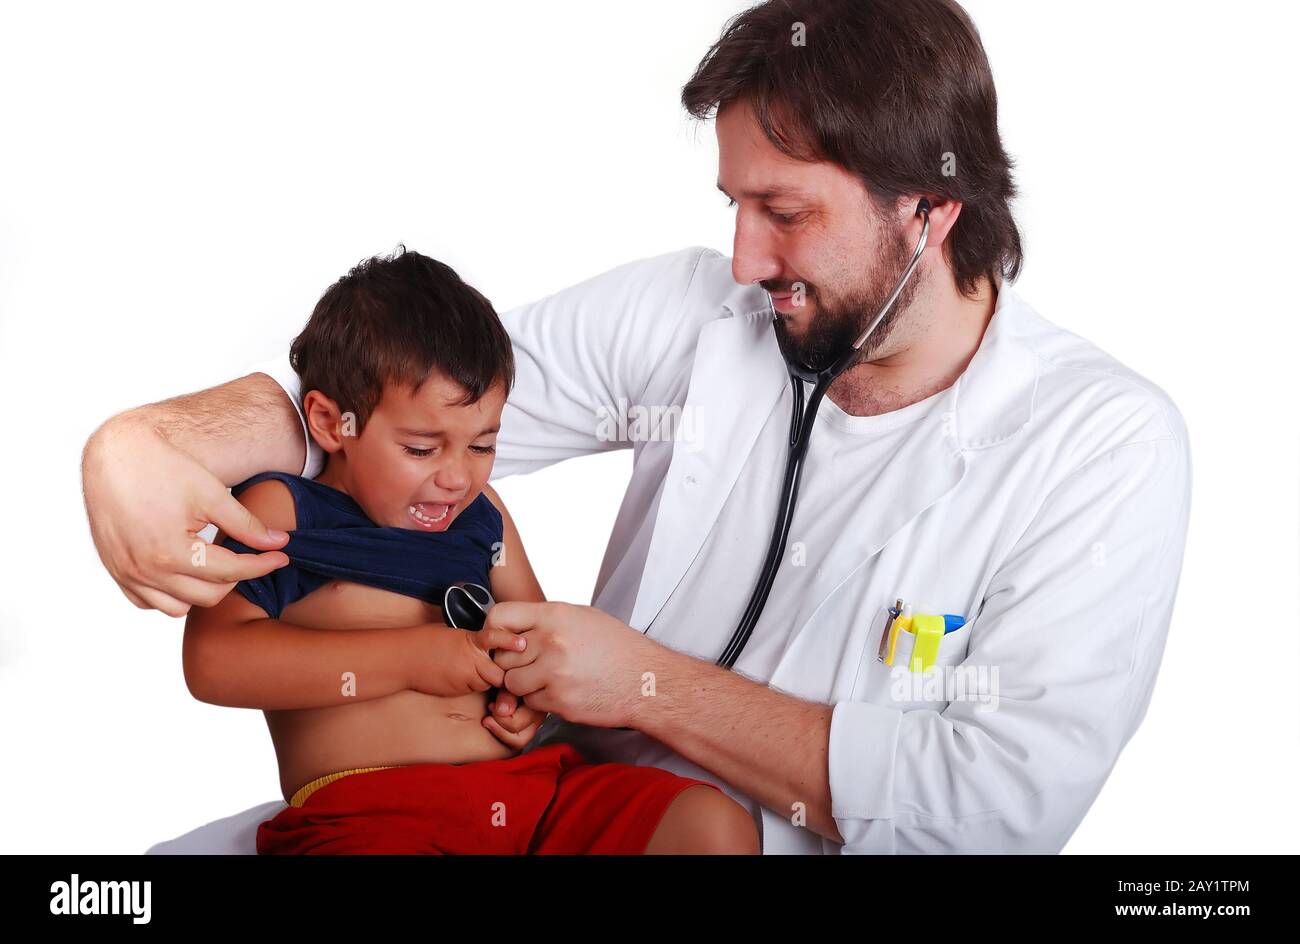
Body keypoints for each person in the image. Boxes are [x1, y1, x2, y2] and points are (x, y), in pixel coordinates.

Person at [82, 0, 1191, 854]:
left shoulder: (1099, 446)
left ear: (930, 209)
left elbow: (988, 814)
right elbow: (396, 413)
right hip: (515, 800)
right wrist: (141, 443)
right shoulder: (695, 312)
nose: (747, 262)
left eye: (786, 213)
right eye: (735, 207)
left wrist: (645, 683)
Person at [180, 247, 758, 854]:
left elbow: (542, 643)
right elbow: (214, 662)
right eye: (423, 449)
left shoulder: (483, 519)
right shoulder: (287, 513)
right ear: (332, 424)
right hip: (370, 816)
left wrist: (524, 702)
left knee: (708, 824)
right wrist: (413, 659)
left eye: (482, 446)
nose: (457, 478)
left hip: (533, 799)